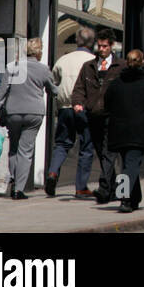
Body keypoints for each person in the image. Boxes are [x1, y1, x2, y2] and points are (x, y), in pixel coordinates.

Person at [102, 49, 144, 213]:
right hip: (139, 130)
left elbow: (107, 104)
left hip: (120, 129)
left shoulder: (116, 83)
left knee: (128, 164)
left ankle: (134, 197)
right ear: (142, 62)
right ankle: (125, 198)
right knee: (130, 165)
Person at [0, 38, 56, 199]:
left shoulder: (13, 66)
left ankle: (13, 178)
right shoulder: (44, 69)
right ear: (39, 52)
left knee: (14, 147)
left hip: (13, 112)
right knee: (25, 151)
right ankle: (18, 189)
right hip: (34, 113)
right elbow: (53, 91)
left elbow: (2, 91)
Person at [71, 27, 124, 203]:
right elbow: (79, 88)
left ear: (112, 46)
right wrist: (78, 103)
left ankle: (103, 187)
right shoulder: (89, 67)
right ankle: (113, 188)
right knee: (101, 152)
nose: (101, 50)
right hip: (94, 115)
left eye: (104, 47)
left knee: (109, 152)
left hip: (114, 116)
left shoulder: (120, 66)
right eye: (99, 46)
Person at [47, 25, 97, 197]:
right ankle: (80, 187)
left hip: (64, 108)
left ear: (77, 40)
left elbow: (54, 81)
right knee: (86, 147)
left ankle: (53, 172)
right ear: (93, 42)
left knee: (62, 143)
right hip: (83, 108)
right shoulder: (93, 60)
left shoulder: (63, 59)